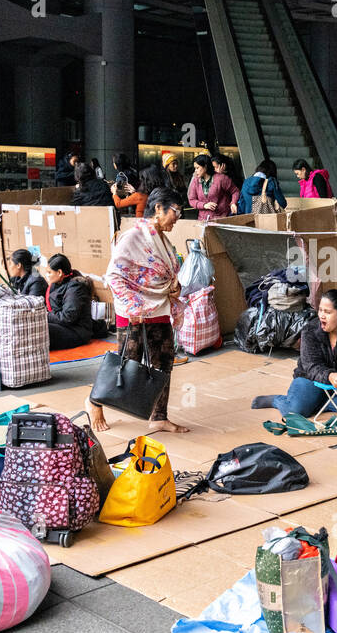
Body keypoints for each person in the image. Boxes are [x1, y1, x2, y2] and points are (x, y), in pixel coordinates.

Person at [88, 186, 189, 435]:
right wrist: (134, 306)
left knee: (163, 361)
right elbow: (115, 276)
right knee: (126, 360)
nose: (178, 217)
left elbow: (165, 276)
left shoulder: (162, 239)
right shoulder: (134, 236)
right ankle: (94, 402)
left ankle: (159, 416)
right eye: (175, 211)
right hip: (134, 311)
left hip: (159, 308)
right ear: (158, 208)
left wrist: (175, 288)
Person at [254, 290, 337, 419]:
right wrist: (330, 375)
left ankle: (315, 404)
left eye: (328, 312)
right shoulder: (310, 330)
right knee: (295, 411)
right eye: (320, 310)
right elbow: (312, 366)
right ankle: (277, 400)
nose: (321, 316)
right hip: (311, 380)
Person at [43, 253, 96, 350]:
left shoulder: (76, 288)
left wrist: (45, 315)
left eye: (49, 272)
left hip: (76, 331)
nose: (47, 275)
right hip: (62, 325)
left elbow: (68, 317)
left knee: (42, 329)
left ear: (59, 272)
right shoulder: (57, 284)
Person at [188, 154, 238, 220]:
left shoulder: (221, 178)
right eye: (195, 168)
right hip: (203, 220)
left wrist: (233, 203)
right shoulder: (195, 180)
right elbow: (191, 200)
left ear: (205, 166)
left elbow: (235, 191)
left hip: (221, 218)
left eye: (197, 168)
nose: (195, 171)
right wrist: (204, 205)